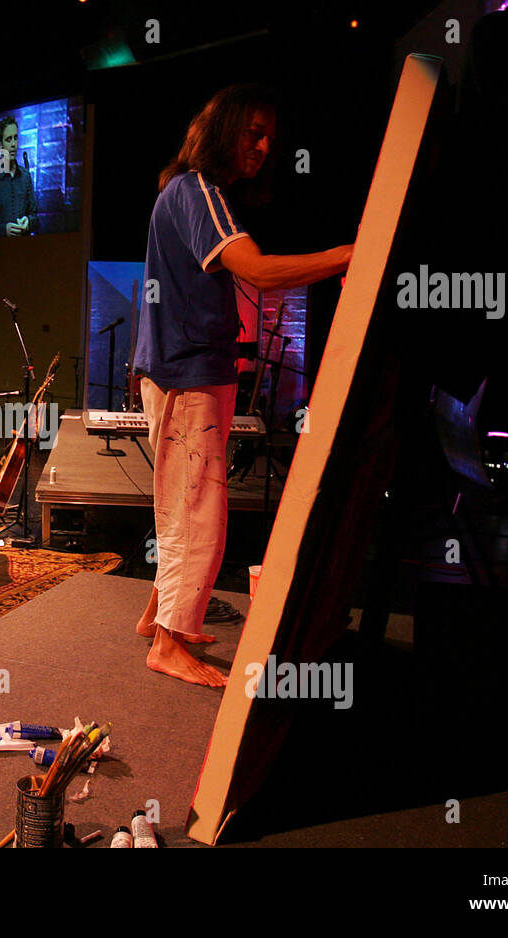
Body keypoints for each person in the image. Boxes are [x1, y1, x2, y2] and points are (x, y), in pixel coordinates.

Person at [131, 84, 353, 687]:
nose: (262, 146)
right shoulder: (197, 189)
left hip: (179, 366)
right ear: (222, 129)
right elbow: (257, 270)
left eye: (270, 138)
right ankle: (170, 644)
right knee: (197, 510)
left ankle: (160, 618)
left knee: (182, 503)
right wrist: (351, 255)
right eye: (252, 132)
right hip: (189, 369)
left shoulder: (187, 192)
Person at [0, 115, 39, 238]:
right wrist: (4, 230)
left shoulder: (25, 177)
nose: (13, 144)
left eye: (15, 138)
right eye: (8, 139)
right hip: (1, 252)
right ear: (1, 146)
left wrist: (28, 222)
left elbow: (36, 218)